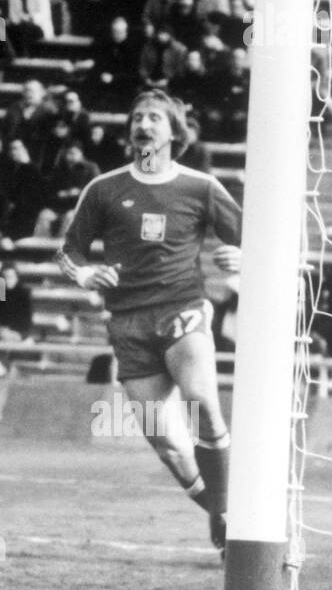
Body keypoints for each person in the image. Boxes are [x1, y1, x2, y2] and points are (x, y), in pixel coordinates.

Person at [55, 90, 242, 557]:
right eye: (137, 116)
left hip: (183, 307)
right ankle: (221, 510)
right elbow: (69, 250)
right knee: (169, 447)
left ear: (174, 132)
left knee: (201, 402)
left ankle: (237, 519)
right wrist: (84, 272)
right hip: (128, 323)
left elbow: (249, 235)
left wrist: (241, 254)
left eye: (154, 117)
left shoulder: (200, 187)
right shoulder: (104, 188)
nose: (143, 124)